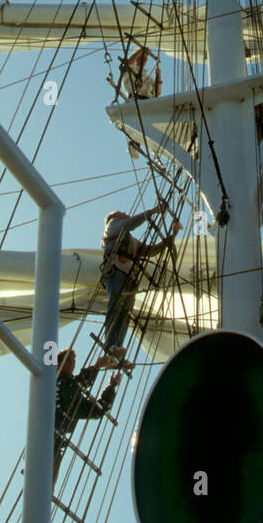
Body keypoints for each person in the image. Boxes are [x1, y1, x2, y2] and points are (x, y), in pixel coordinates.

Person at [101, 205, 177, 360]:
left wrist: (171, 236)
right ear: (114, 216)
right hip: (116, 271)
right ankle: (110, 346)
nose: (125, 213)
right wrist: (152, 212)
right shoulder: (113, 225)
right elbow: (129, 224)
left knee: (125, 312)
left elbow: (150, 251)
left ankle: (117, 348)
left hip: (130, 276)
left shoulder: (130, 240)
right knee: (116, 307)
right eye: (121, 212)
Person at [52, 347, 120, 484]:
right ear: (58, 364)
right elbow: (76, 385)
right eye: (69, 360)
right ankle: (113, 346)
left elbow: (97, 411)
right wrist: (97, 366)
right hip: (47, 439)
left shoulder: (73, 397)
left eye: (74, 361)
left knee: (48, 486)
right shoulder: (55, 384)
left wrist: (111, 387)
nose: (73, 364)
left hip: (56, 445)